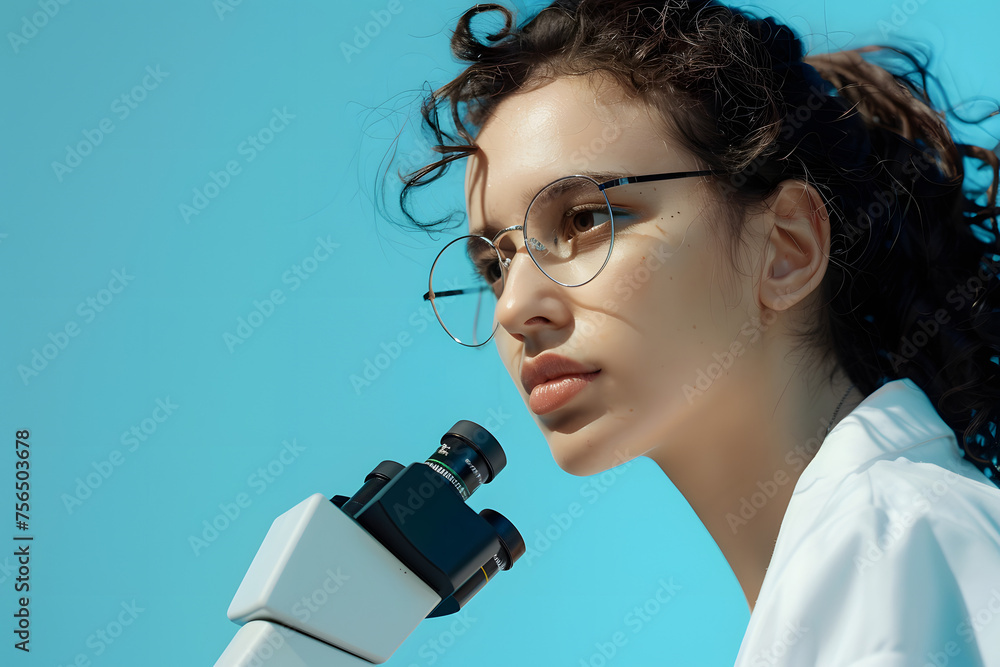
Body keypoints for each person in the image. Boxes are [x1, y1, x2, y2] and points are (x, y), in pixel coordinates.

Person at [389, 1, 1000, 664]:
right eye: (494, 263)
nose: (513, 308)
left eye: (586, 218)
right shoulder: (866, 563)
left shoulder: (897, 544)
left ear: (786, 247)